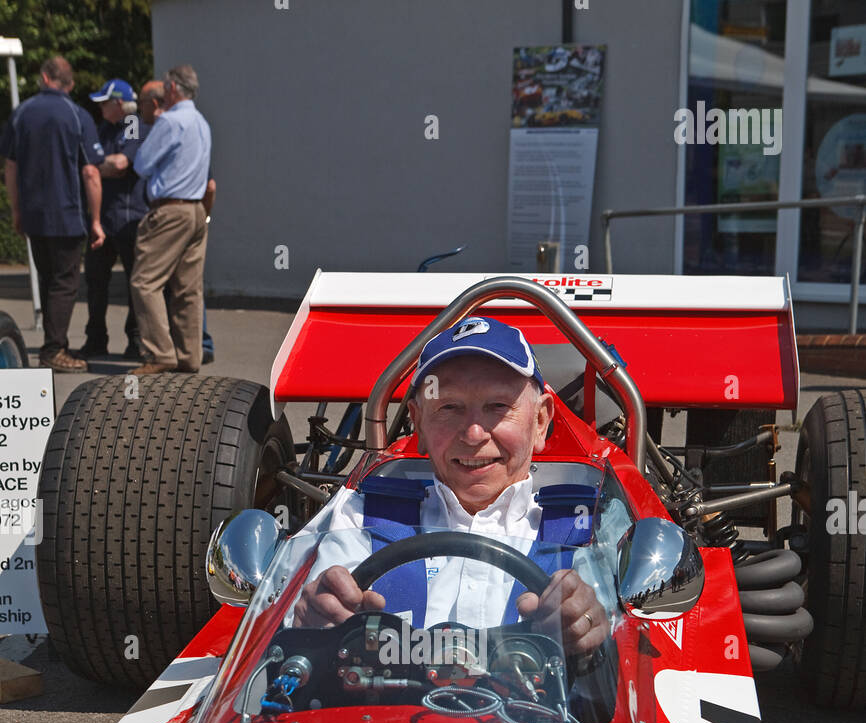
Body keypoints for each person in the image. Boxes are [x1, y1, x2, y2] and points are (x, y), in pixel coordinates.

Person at [292, 317, 622, 661]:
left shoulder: (591, 524)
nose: (474, 434)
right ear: (417, 422)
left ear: (540, 421)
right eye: (449, 407)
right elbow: (307, 624)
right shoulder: (362, 515)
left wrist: (592, 627)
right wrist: (313, 622)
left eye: (498, 407)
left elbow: (626, 642)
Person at [0, 54, 105, 372]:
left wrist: (17, 211)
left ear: (45, 78)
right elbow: (91, 173)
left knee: (48, 279)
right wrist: (97, 219)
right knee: (64, 281)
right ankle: (54, 349)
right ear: (68, 83)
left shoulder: (21, 114)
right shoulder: (77, 115)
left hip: (35, 215)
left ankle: (53, 343)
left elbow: (11, 168)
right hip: (67, 215)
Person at [129, 64, 211, 374]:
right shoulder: (202, 122)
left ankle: (160, 353)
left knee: (144, 281)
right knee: (188, 287)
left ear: (173, 89)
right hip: (195, 209)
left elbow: (142, 164)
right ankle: (189, 355)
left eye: (165, 87)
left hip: (170, 211)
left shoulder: (171, 121)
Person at [77, 78, 147, 359]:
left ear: (119, 103)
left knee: (136, 284)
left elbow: (120, 164)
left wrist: (94, 167)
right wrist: (98, 166)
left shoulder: (134, 125)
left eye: (104, 103)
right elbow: (99, 165)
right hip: (103, 220)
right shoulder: (103, 127)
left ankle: (136, 341)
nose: (100, 108)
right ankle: (95, 340)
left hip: (130, 219)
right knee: (95, 283)